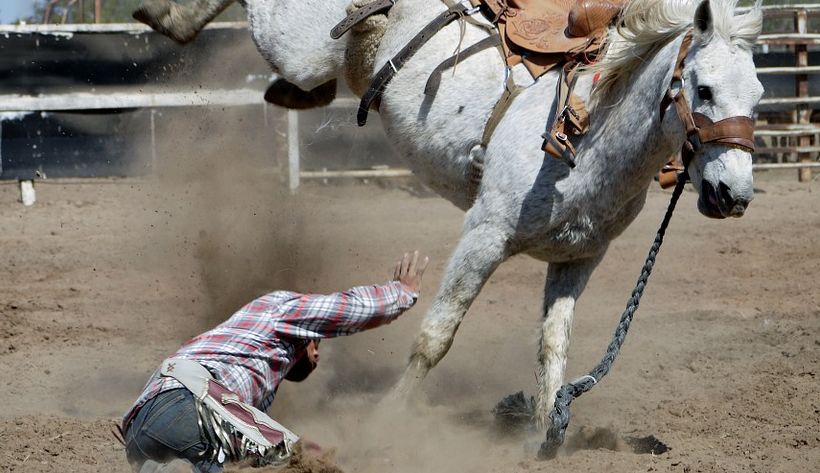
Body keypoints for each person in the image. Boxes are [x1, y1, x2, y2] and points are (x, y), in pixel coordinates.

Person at [121, 251, 429, 473]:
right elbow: (343, 309)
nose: (317, 355)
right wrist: (401, 293)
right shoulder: (279, 309)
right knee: (308, 463)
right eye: (315, 342)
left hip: (139, 434)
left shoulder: (229, 352)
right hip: (189, 406)